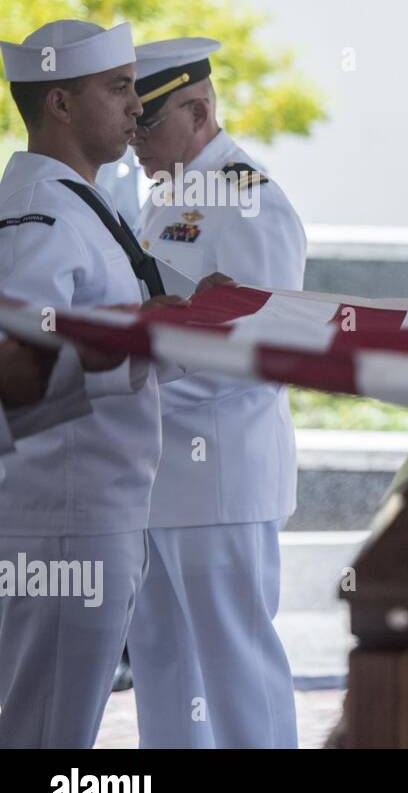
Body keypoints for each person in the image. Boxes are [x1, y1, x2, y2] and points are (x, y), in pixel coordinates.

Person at [0, 20, 187, 747]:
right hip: (62, 521)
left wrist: (185, 319)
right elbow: (15, 370)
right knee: (46, 734)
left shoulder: (80, 201)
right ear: (61, 105)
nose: (136, 105)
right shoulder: (38, 215)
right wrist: (121, 341)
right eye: (116, 89)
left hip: (91, 510)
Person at [126, 37, 305, 748]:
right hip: (155, 471)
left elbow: (264, 352)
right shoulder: (165, 196)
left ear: (198, 109)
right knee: (164, 663)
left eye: (146, 122)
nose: (131, 138)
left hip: (221, 473)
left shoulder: (248, 200)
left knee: (236, 666)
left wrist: (139, 380)